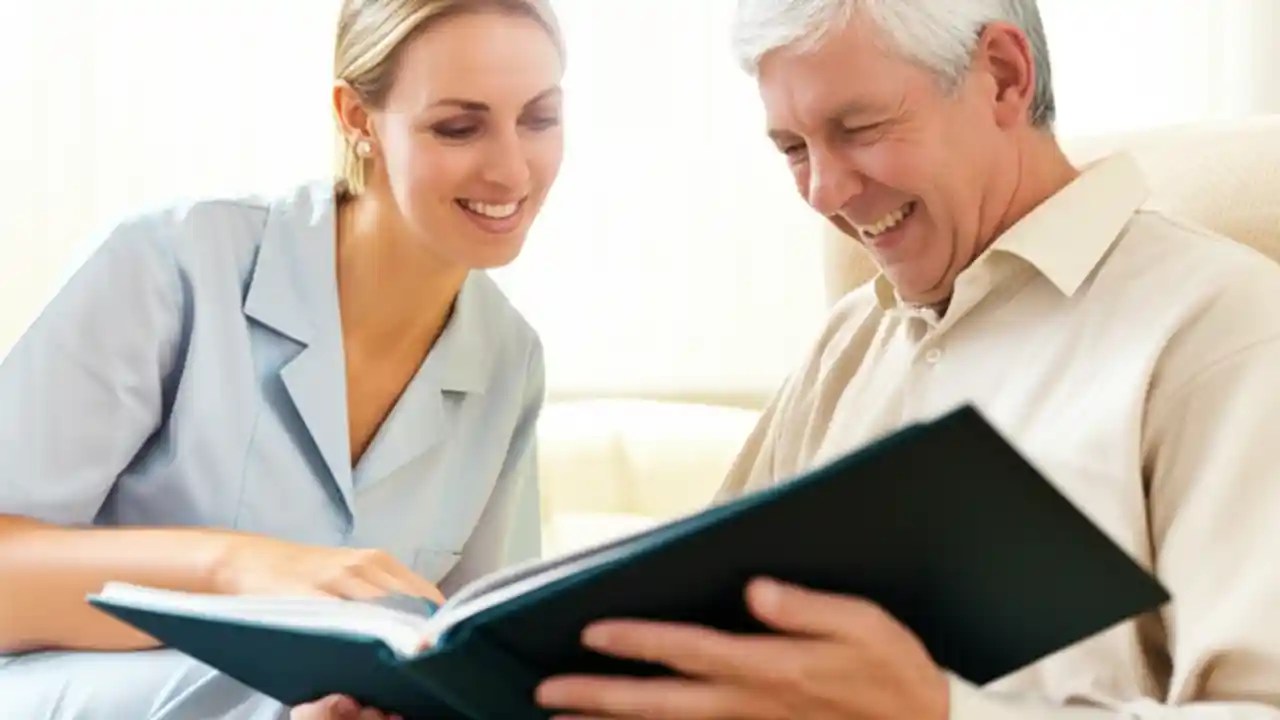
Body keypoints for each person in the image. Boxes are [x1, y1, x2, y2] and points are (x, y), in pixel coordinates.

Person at [535, 1, 1280, 718]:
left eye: (859, 127)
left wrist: (936, 713)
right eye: (793, 149)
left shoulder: (1224, 329)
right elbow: (698, 637)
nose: (824, 192)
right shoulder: (852, 339)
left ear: (1003, 75)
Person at [0, 0, 565, 718]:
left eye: (540, 119)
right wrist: (235, 569)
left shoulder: (508, 362)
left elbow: (474, 644)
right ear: (358, 120)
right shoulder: (174, 265)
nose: (512, 169)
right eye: (458, 127)